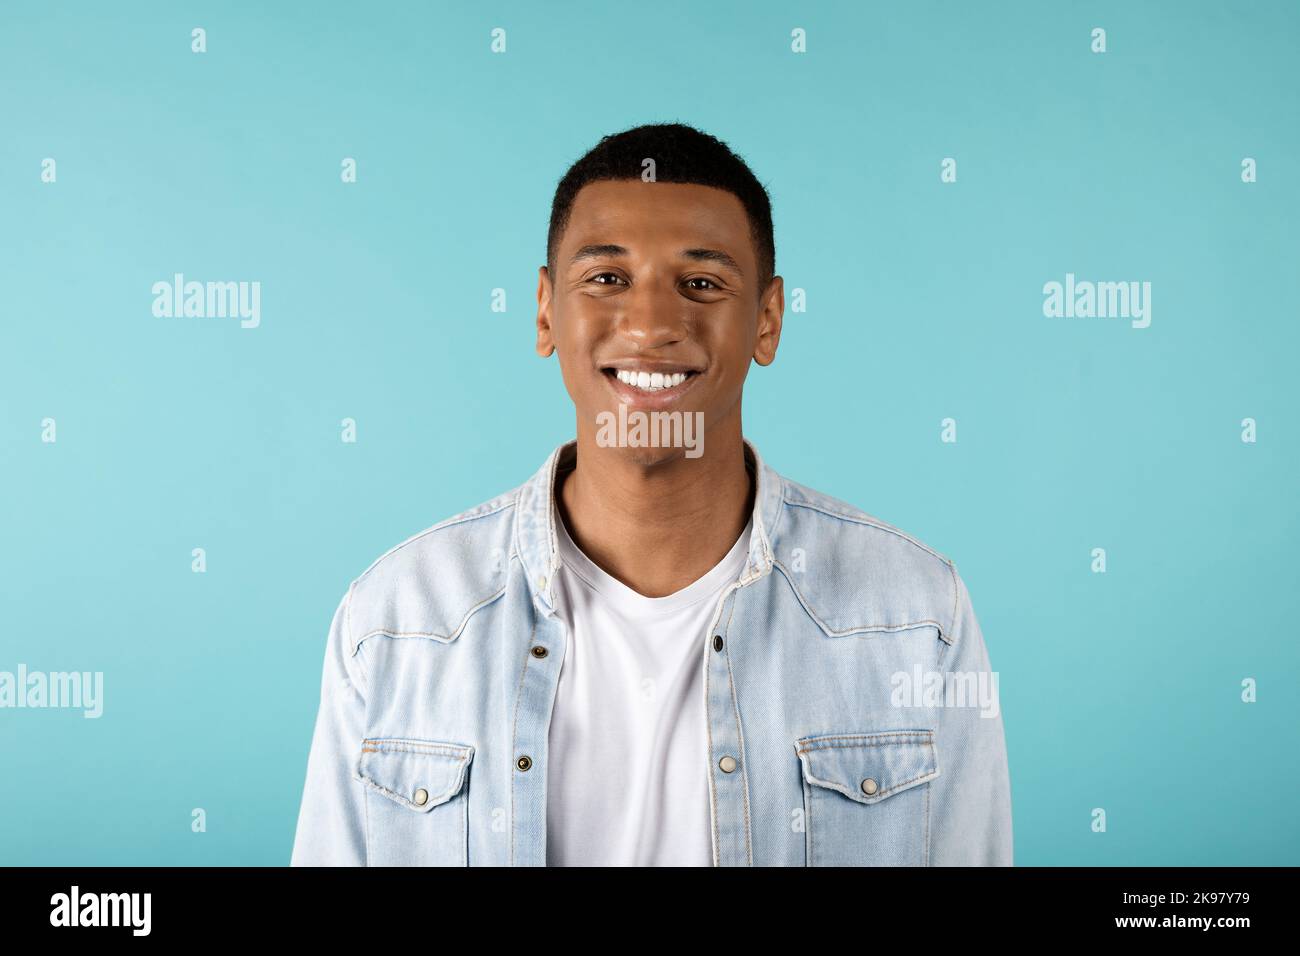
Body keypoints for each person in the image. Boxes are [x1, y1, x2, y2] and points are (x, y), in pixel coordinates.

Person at [290, 122, 1012, 866]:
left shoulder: (918, 614)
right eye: (607, 279)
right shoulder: (394, 621)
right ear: (545, 311)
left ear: (767, 320)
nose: (651, 325)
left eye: (700, 284)